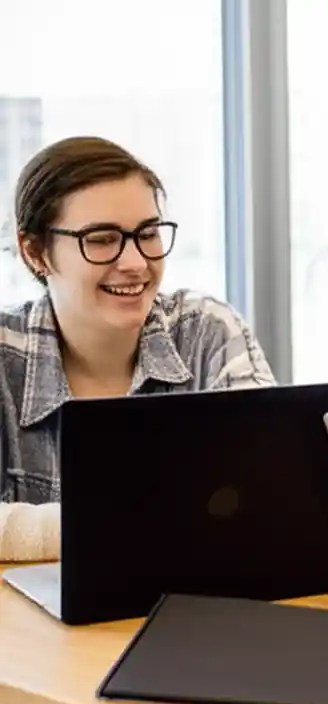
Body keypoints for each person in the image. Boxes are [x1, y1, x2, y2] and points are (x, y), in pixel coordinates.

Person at [0, 137, 275, 561]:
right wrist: (139, 522)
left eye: (147, 233)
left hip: (187, 615)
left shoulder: (205, 333)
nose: (135, 262)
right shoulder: (4, 355)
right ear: (35, 251)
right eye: (102, 239)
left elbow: (271, 492)